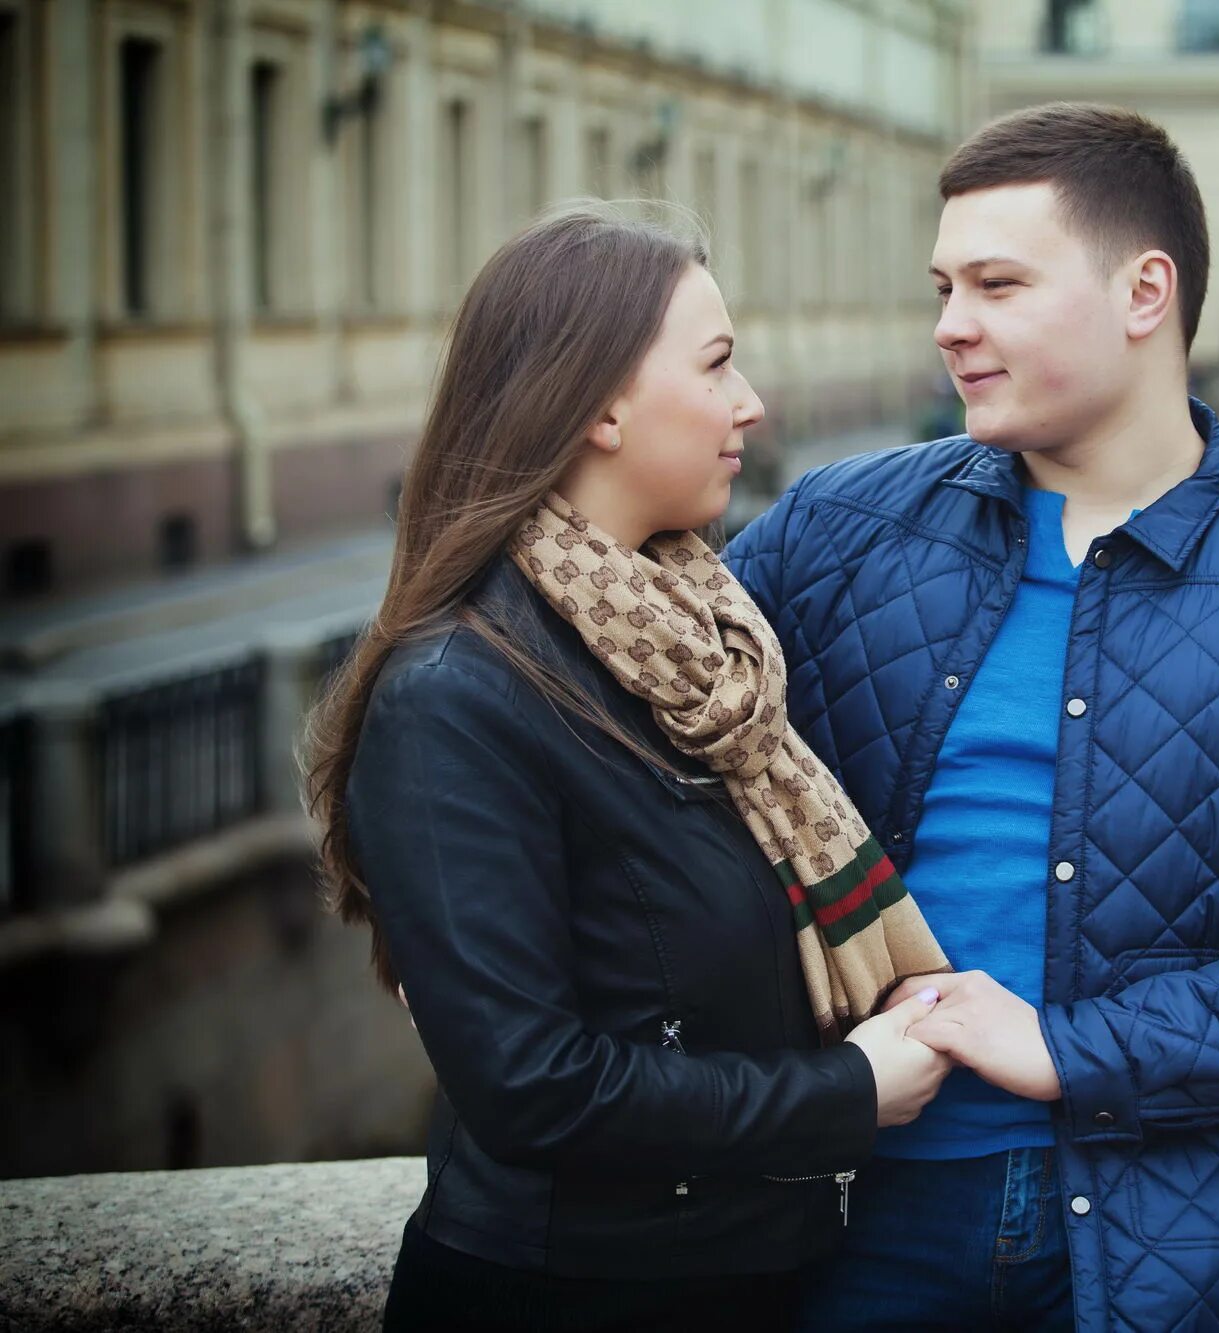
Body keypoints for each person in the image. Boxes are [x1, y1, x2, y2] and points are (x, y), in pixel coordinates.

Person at [726, 104, 1219, 1332]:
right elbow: (622, 726)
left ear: (1144, 293)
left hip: (1175, 1247)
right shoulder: (836, 529)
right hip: (837, 1218)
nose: (949, 325)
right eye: (942, 286)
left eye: (998, 284)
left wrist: (1078, 1051)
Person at [300, 201, 955, 1333]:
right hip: (571, 1296)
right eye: (715, 364)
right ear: (597, 402)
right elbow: (529, 1086)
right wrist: (845, 1093)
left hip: (753, 1274)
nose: (749, 402)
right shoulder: (456, 692)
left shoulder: (704, 650)